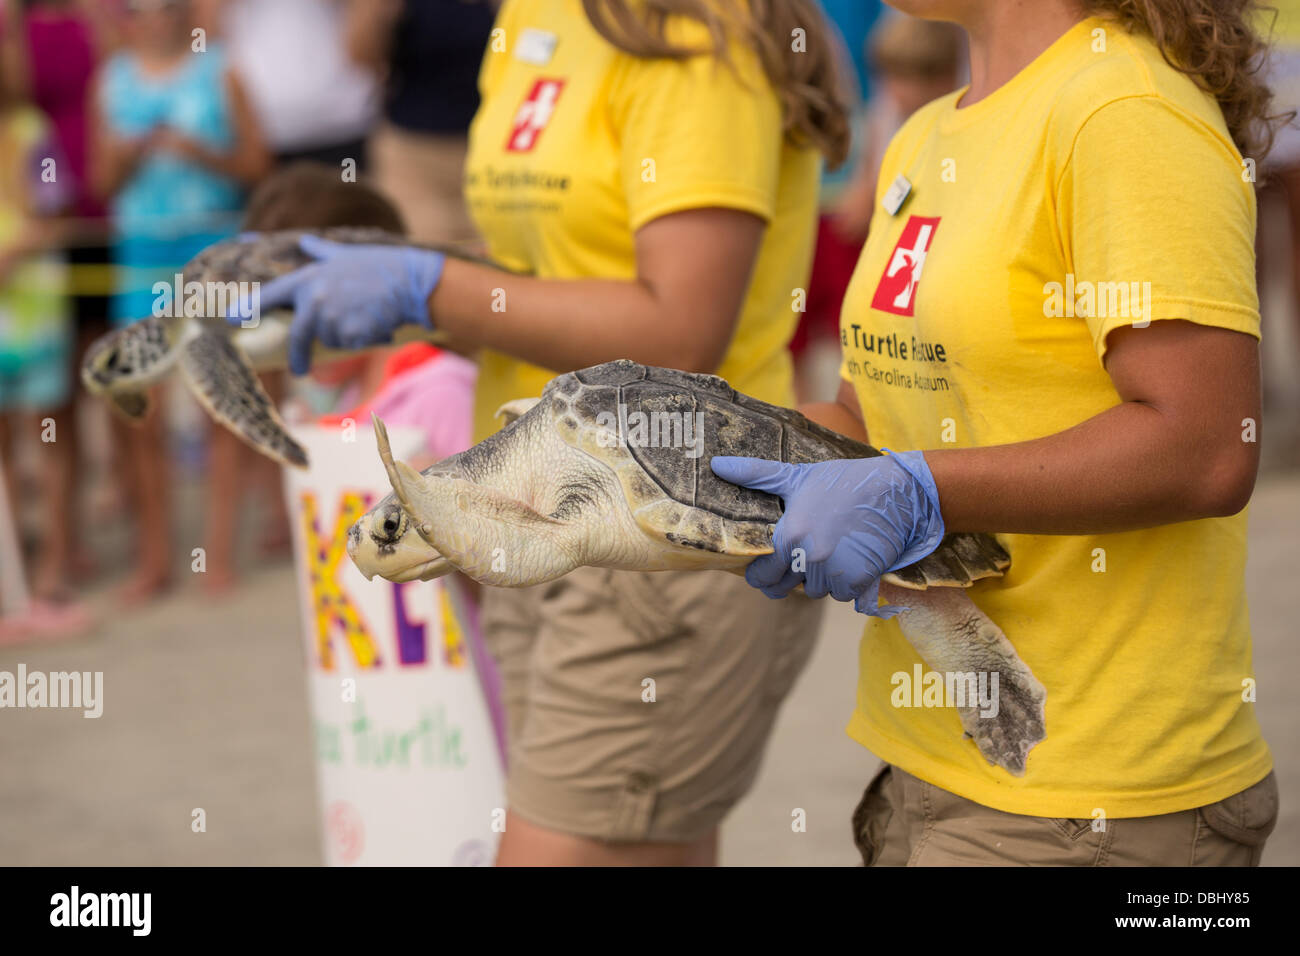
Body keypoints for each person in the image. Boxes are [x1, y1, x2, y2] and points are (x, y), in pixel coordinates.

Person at [230, 0, 850, 865]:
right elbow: (554, 275)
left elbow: (679, 330)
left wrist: (430, 288)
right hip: (536, 519)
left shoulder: (695, 35)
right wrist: (364, 290)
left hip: (660, 526)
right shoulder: (529, 14)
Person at [710, 0, 1279, 865]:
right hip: (931, 759)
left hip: (1094, 792)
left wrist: (916, 489)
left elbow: (1206, 448)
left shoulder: (1124, 111)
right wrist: (681, 457)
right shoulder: (929, 127)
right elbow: (869, 418)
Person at [90, 0, 269, 601]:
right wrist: (123, 159)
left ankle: (216, 557)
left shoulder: (221, 70)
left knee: (224, 404)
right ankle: (156, 560)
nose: (156, 17)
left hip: (214, 248)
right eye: (141, 9)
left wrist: (200, 153)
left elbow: (257, 165)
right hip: (143, 253)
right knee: (143, 417)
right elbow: (99, 185)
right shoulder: (111, 81)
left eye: (167, 6)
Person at [344, 0, 494, 243]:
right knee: (427, 253)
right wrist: (378, 13)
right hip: (414, 153)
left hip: (491, 149)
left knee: (501, 263)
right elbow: (359, 56)